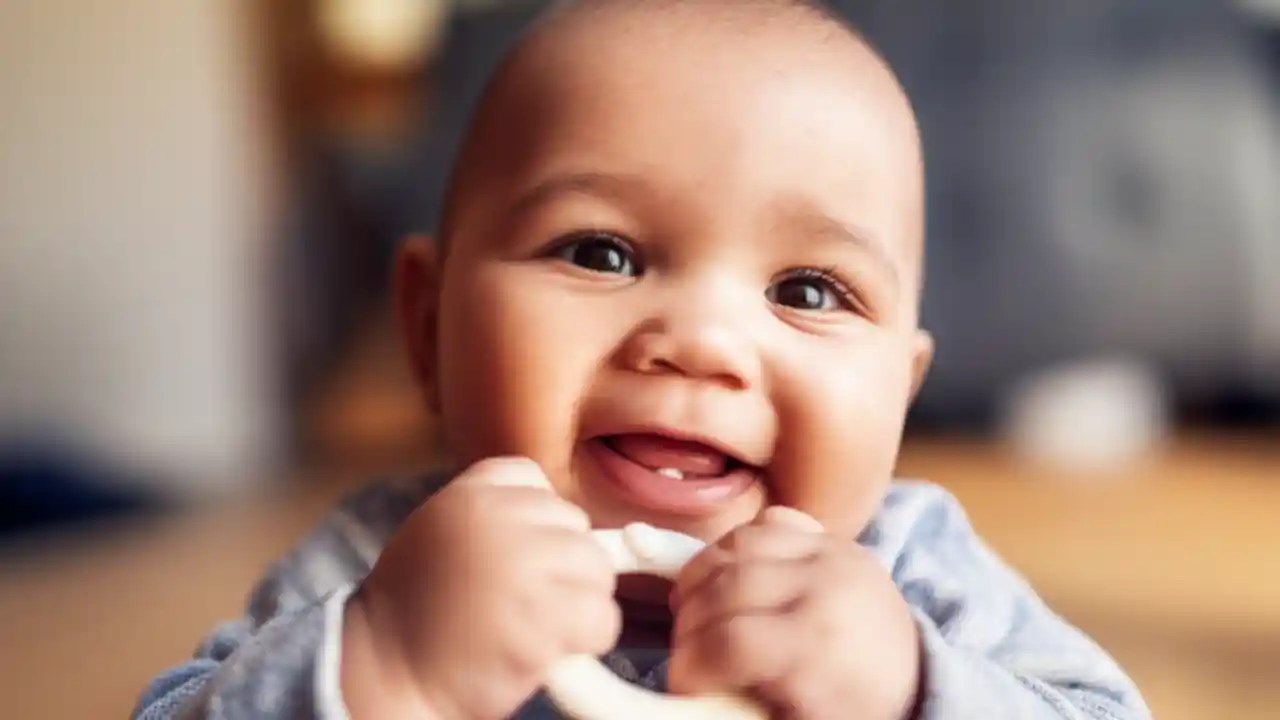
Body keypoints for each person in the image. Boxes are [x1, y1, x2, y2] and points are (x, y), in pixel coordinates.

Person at [134, 1, 1149, 718]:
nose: (701, 344)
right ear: (427, 328)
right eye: (599, 253)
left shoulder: (912, 571)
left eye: (806, 291)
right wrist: (384, 669)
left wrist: (909, 689)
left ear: (899, 389)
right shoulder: (381, 567)